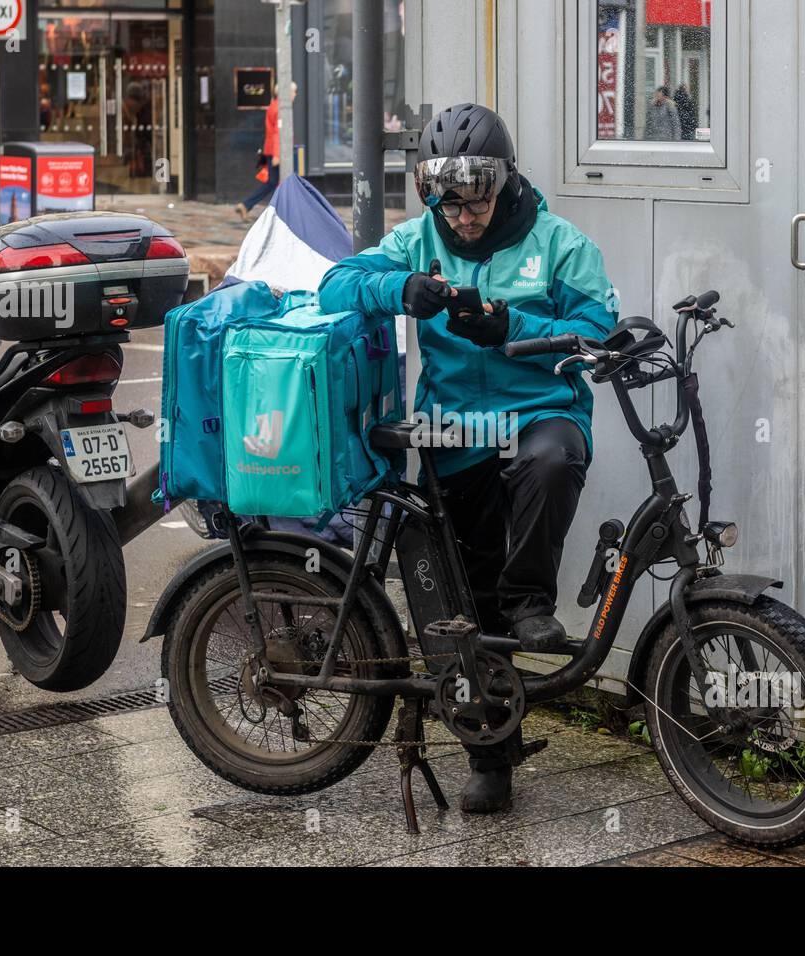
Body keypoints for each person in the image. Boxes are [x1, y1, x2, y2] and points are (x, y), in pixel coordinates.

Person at [318, 103, 618, 813]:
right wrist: (400, 288)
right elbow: (334, 284)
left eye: (475, 199)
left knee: (550, 462)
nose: (462, 217)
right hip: (453, 432)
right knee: (464, 599)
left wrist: (511, 323)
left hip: (540, 414)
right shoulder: (417, 240)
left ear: (505, 181)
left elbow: (596, 331)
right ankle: (492, 755)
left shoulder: (560, 244)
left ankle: (531, 602)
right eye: (446, 201)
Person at [234, 83, 296, 221]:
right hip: (277, 151)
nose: (295, 95)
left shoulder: (273, 105)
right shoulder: (280, 109)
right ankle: (280, 213)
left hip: (272, 149)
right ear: (285, 93)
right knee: (279, 182)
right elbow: (277, 133)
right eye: (293, 92)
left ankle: (247, 205)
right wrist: (277, 154)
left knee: (274, 183)